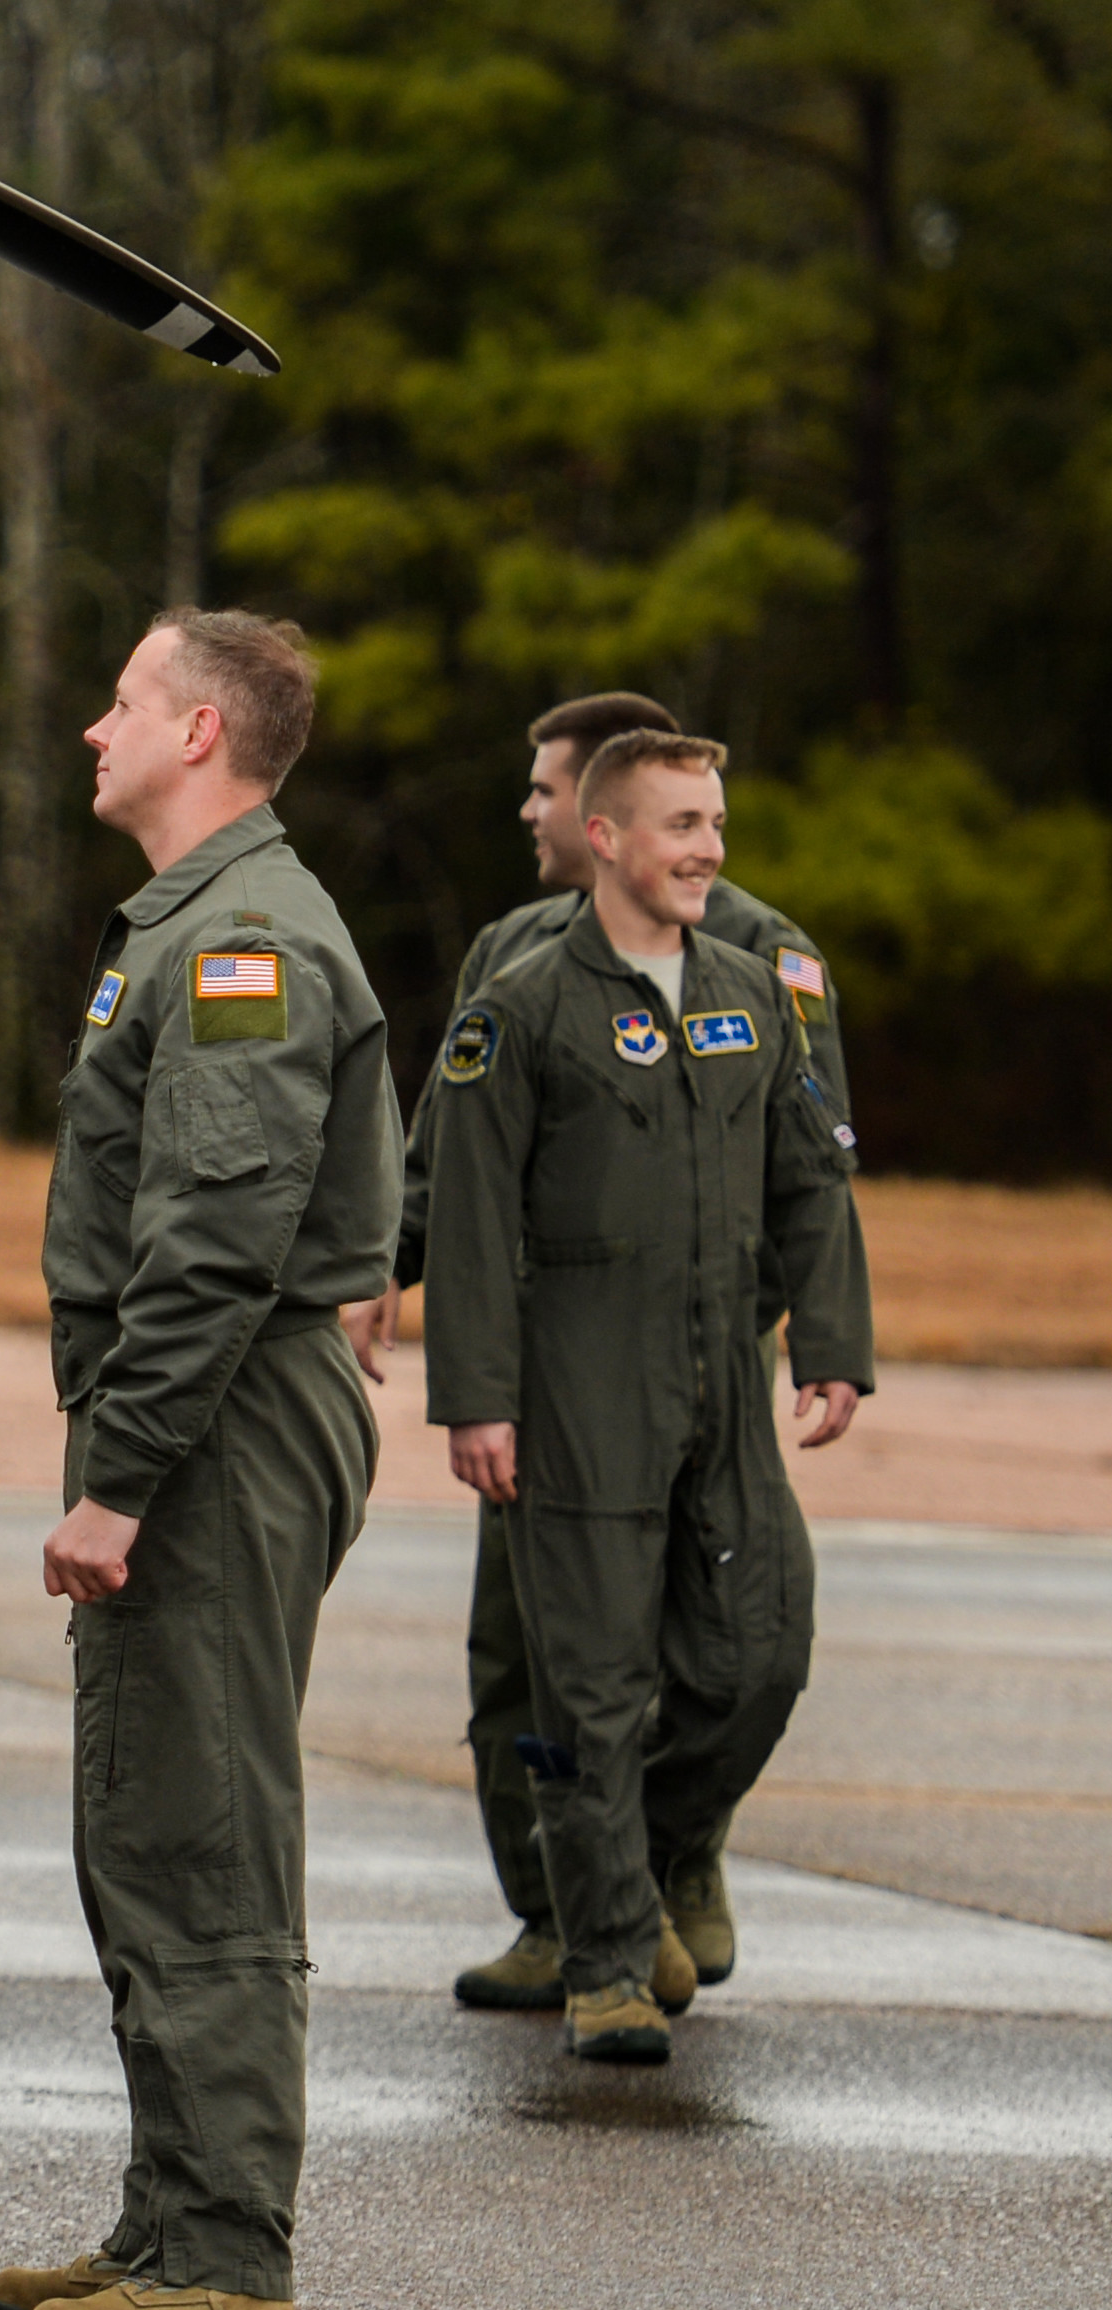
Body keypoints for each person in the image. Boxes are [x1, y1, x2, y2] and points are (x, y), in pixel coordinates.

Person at [0, 608, 394, 2310]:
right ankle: (169, 2213)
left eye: (122, 696)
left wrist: (118, 1479)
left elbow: (217, 1239)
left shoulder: (242, 943)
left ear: (203, 731)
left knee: (204, 1829)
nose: (94, 725)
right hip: (201, 1413)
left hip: (214, 1421)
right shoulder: (188, 924)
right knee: (148, 1811)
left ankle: (227, 2250)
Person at [363, 686, 868, 2011]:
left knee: (730, 1642)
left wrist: (810, 1336)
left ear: (599, 803)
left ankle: (670, 1863)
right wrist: (384, 1272)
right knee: (527, 1660)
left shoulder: (763, 963)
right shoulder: (514, 958)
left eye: (540, 787)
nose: (523, 810)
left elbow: (809, 1167)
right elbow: (448, 1163)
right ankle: (566, 1917)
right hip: (544, 1371)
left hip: (699, 1368)